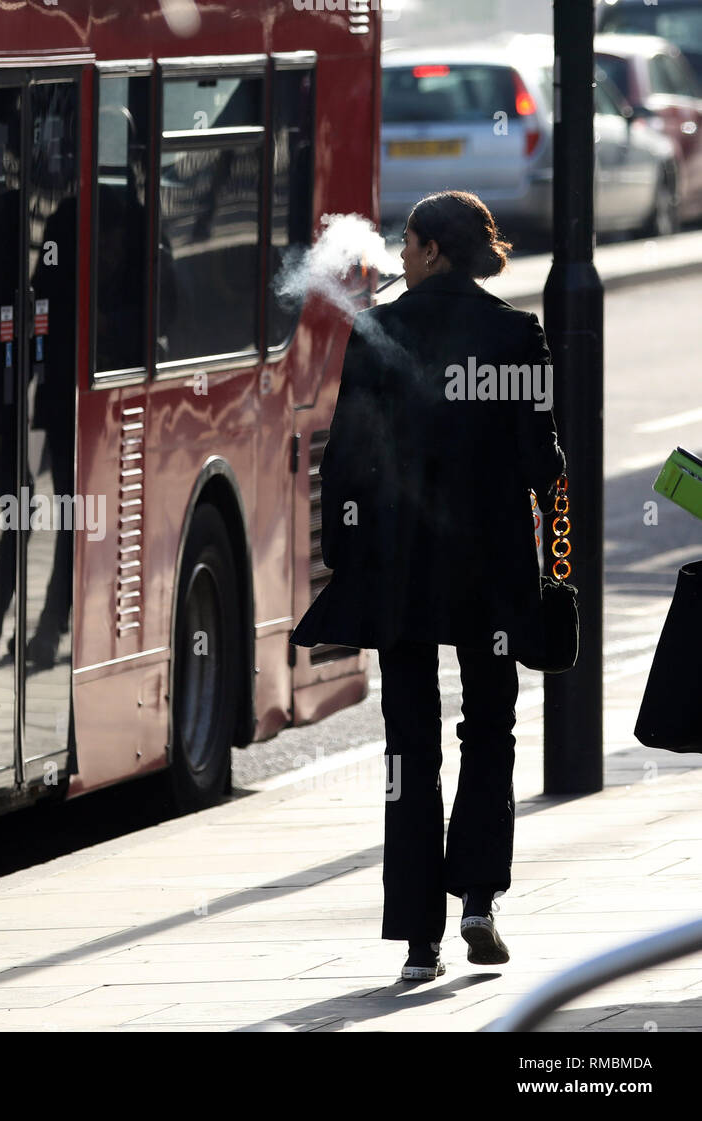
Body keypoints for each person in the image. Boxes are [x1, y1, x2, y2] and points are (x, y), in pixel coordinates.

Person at [290, 190, 566, 983]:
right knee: (490, 729)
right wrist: (556, 568)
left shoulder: (382, 332)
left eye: (407, 244)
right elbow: (544, 466)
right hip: (493, 574)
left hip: (401, 572)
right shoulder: (516, 335)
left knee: (409, 749)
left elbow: (344, 458)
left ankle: (420, 938)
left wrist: (346, 560)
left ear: (435, 251)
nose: (398, 258)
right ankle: (478, 895)